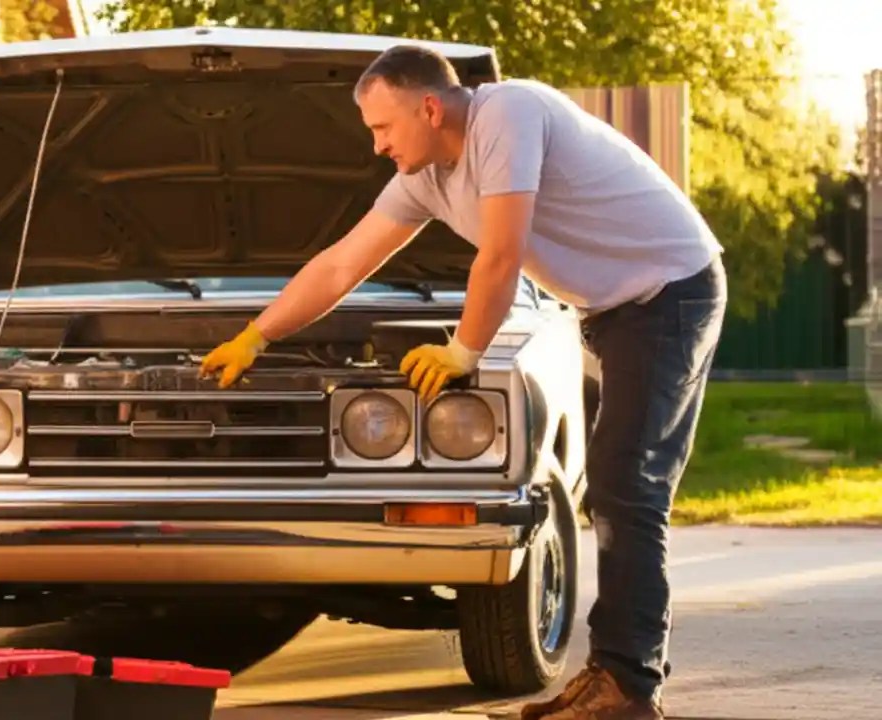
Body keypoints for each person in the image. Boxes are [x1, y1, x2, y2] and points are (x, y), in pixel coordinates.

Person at [197, 44, 727, 719]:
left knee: (628, 486)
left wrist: (463, 350)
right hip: (617, 309)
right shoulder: (426, 178)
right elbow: (338, 266)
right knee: (618, 486)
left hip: (671, 291)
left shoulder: (509, 111)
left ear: (427, 106)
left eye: (383, 128)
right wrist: (257, 334)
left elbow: (502, 253)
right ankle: (612, 676)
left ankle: (627, 688)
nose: (377, 146)